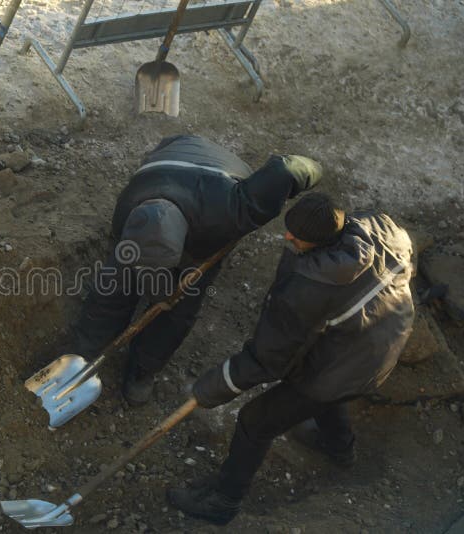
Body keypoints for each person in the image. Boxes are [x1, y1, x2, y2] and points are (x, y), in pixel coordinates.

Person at [169, 193, 415, 525]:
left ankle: (223, 502)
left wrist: (214, 386)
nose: (287, 237)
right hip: (384, 343)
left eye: (296, 237)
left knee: (256, 420)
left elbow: (267, 358)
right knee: (333, 387)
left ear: (319, 240)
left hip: (351, 360)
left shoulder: (308, 289)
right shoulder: (379, 230)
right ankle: (339, 448)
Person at [72, 135, 323, 406]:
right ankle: (82, 358)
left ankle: (143, 369)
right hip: (172, 156)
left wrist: (315, 173)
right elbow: (112, 293)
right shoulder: (127, 212)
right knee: (114, 287)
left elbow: (287, 168)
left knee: (179, 309)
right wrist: (83, 354)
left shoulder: (236, 208)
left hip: (219, 186)